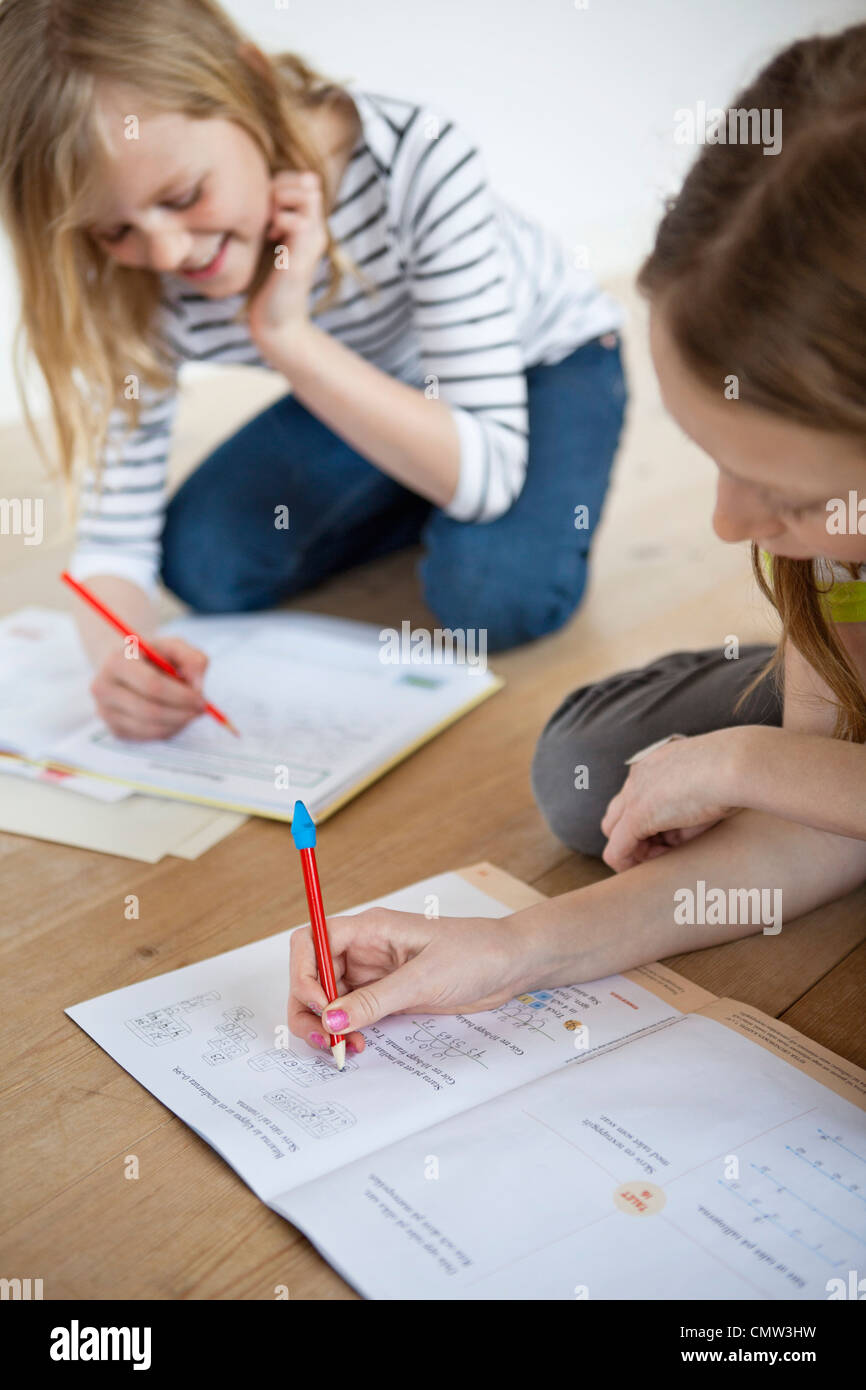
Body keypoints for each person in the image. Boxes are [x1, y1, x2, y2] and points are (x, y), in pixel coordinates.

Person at [288, 25, 866, 1058]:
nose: (727, 525)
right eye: (714, 461)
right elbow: (815, 808)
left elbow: (801, 786)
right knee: (593, 772)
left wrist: (745, 762)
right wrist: (514, 947)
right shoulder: (836, 552)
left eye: (786, 493)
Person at [0, 0, 625, 741]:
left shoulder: (415, 157)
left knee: (494, 597)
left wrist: (287, 336)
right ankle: (418, 479)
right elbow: (115, 542)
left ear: (248, 84)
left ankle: (424, 486)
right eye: (115, 231)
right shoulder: (120, 277)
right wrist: (121, 655)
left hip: (543, 366)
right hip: (355, 389)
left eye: (183, 197)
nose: (169, 255)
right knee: (206, 567)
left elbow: (487, 475)